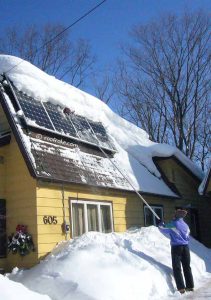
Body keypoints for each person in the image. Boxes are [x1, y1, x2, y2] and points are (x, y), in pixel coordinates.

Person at [158, 208, 194, 294]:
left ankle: (181, 288)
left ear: (177, 215)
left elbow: (162, 229)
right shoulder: (186, 225)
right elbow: (187, 236)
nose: (173, 215)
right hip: (186, 247)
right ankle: (190, 286)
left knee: (177, 267)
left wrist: (160, 222)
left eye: (175, 214)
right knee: (186, 266)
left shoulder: (173, 224)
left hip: (176, 248)